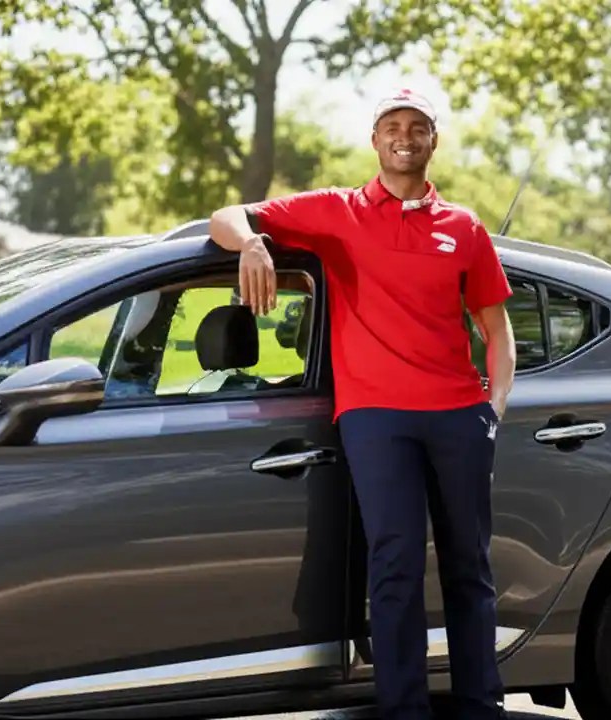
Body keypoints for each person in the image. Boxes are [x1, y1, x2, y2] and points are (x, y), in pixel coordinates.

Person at [209, 88, 516, 720]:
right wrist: (252, 245)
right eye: (392, 126)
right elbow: (227, 214)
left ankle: (481, 707)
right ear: (375, 140)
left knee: (469, 568)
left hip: (459, 415)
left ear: (434, 140)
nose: (405, 136)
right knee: (395, 566)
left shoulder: (464, 228)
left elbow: (497, 330)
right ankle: (404, 712)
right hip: (376, 418)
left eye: (418, 126)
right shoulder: (335, 211)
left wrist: (495, 409)